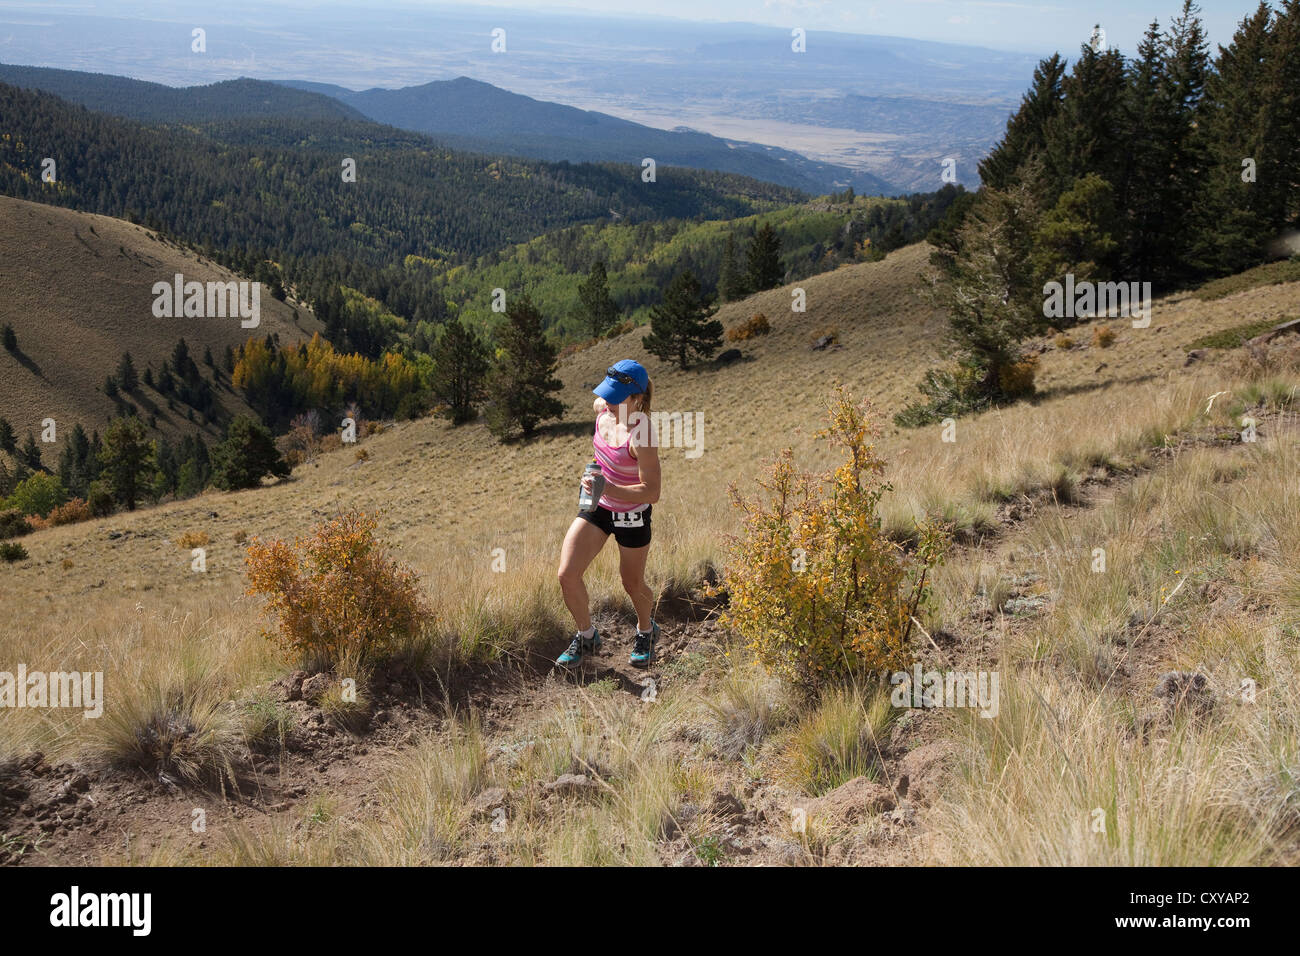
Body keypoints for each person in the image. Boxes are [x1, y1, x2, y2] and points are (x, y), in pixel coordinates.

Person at [556, 359, 661, 668]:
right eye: (608, 395)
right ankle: (587, 635)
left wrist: (611, 489)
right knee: (567, 575)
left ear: (637, 399)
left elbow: (652, 492)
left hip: (632, 514)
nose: (609, 402)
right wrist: (600, 487)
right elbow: (597, 402)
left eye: (618, 397)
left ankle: (646, 630)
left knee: (632, 584)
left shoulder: (642, 434)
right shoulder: (604, 408)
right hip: (599, 506)